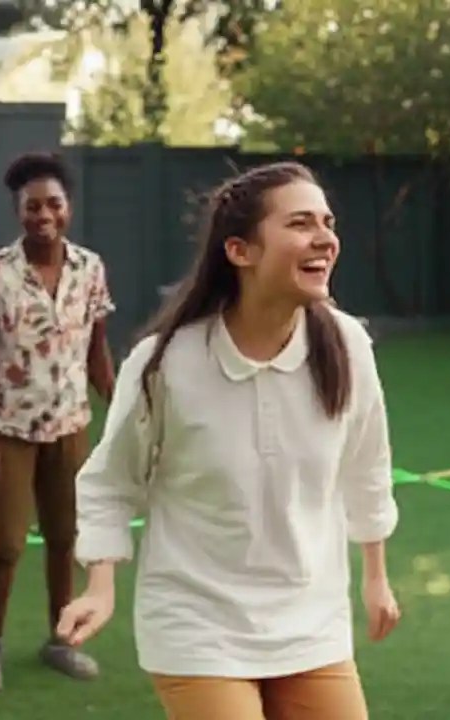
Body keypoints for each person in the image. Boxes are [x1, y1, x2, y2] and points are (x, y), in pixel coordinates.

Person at [55, 161, 402, 720]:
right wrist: (100, 585)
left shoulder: (348, 346)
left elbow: (367, 468)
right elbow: (110, 482)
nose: (325, 238)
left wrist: (376, 578)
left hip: (311, 620)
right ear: (240, 251)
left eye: (327, 222)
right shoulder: (165, 363)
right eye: (300, 223)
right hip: (197, 623)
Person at [0, 151, 115, 690]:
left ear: (68, 207)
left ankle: (60, 640)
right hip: (10, 430)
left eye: (53, 204)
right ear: (18, 211)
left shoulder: (89, 269)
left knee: (64, 538)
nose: (44, 215)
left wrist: (121, 406)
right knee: (3, 546)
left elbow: (97, 352)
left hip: (70, 427)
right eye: (33, 206)